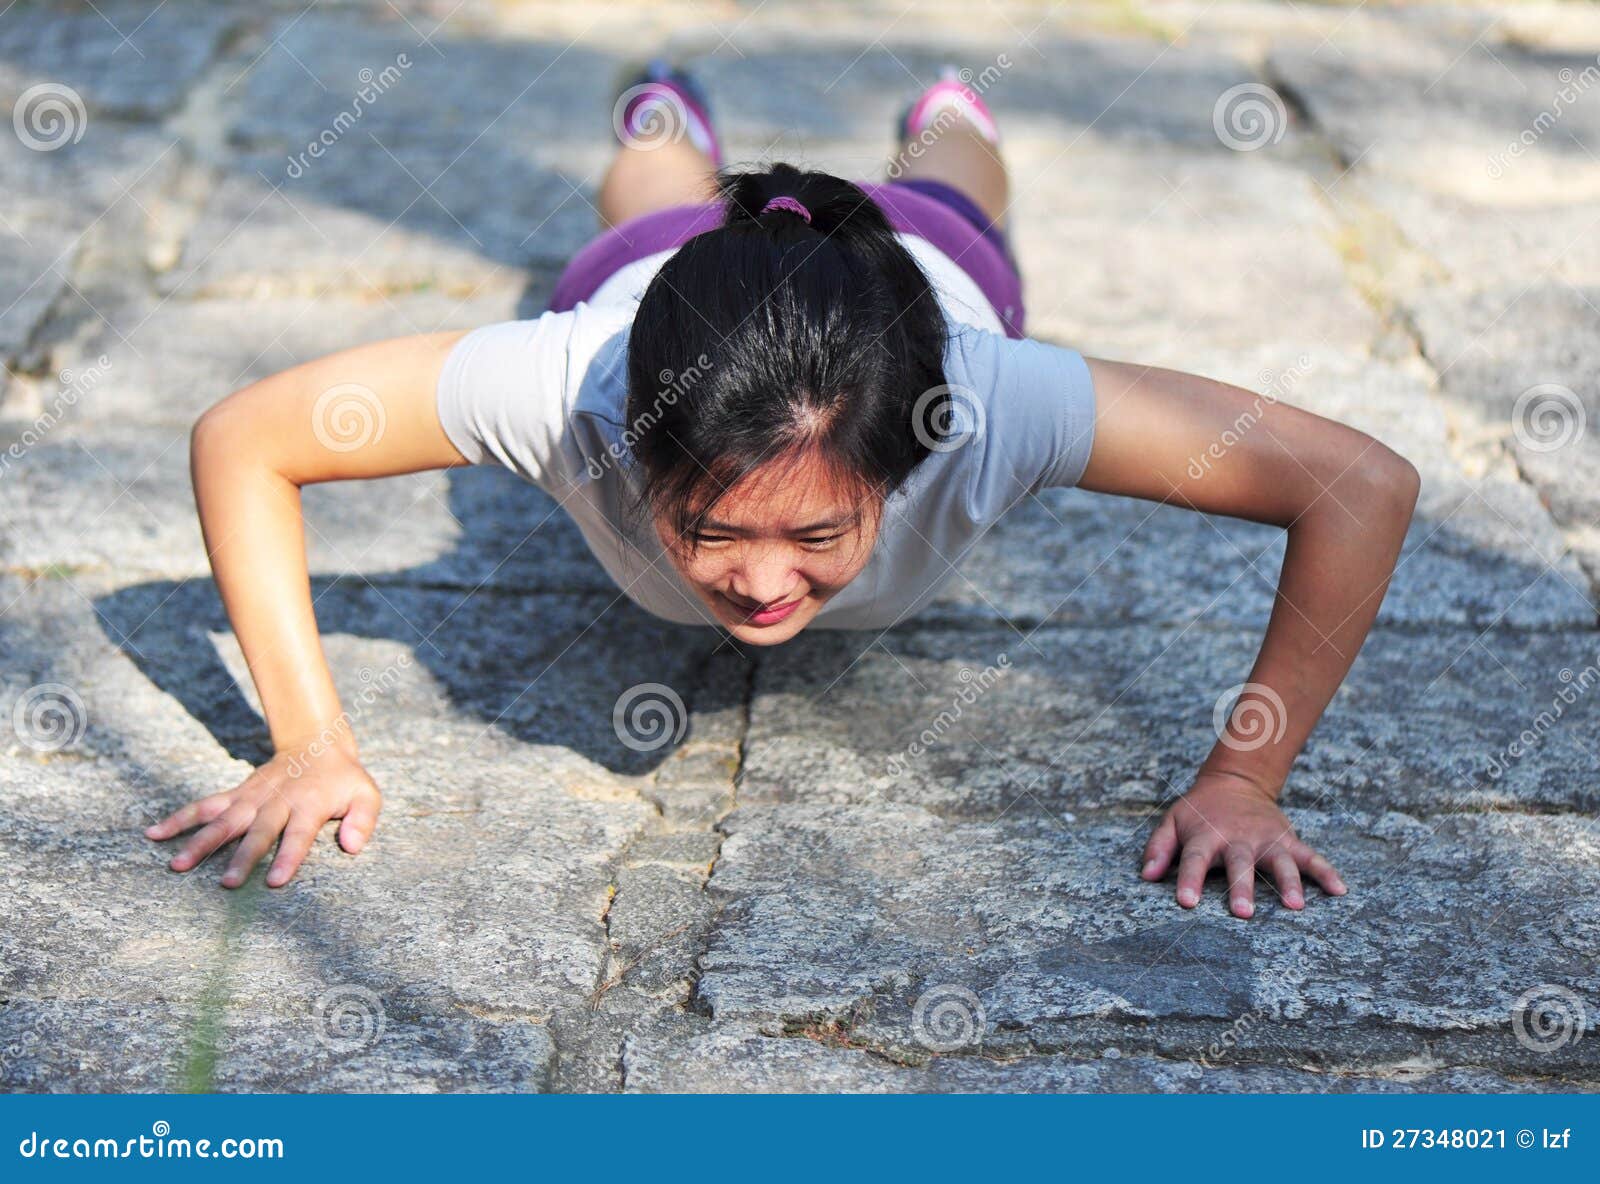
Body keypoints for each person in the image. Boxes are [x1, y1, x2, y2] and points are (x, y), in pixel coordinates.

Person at [145, 61, 1420, 919]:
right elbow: (244, 436)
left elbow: (1359, 483)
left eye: (816, 532)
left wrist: (1242, 778)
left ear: (905, 459)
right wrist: (309, 740)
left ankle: (948, 105)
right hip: (667, 274)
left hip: (919, 265)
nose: (761, 587)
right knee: (650, 188)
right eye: (707, 528)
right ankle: (664, 120)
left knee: (949, 179)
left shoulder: (984, 399)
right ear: (636, 451)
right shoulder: (564, 383)